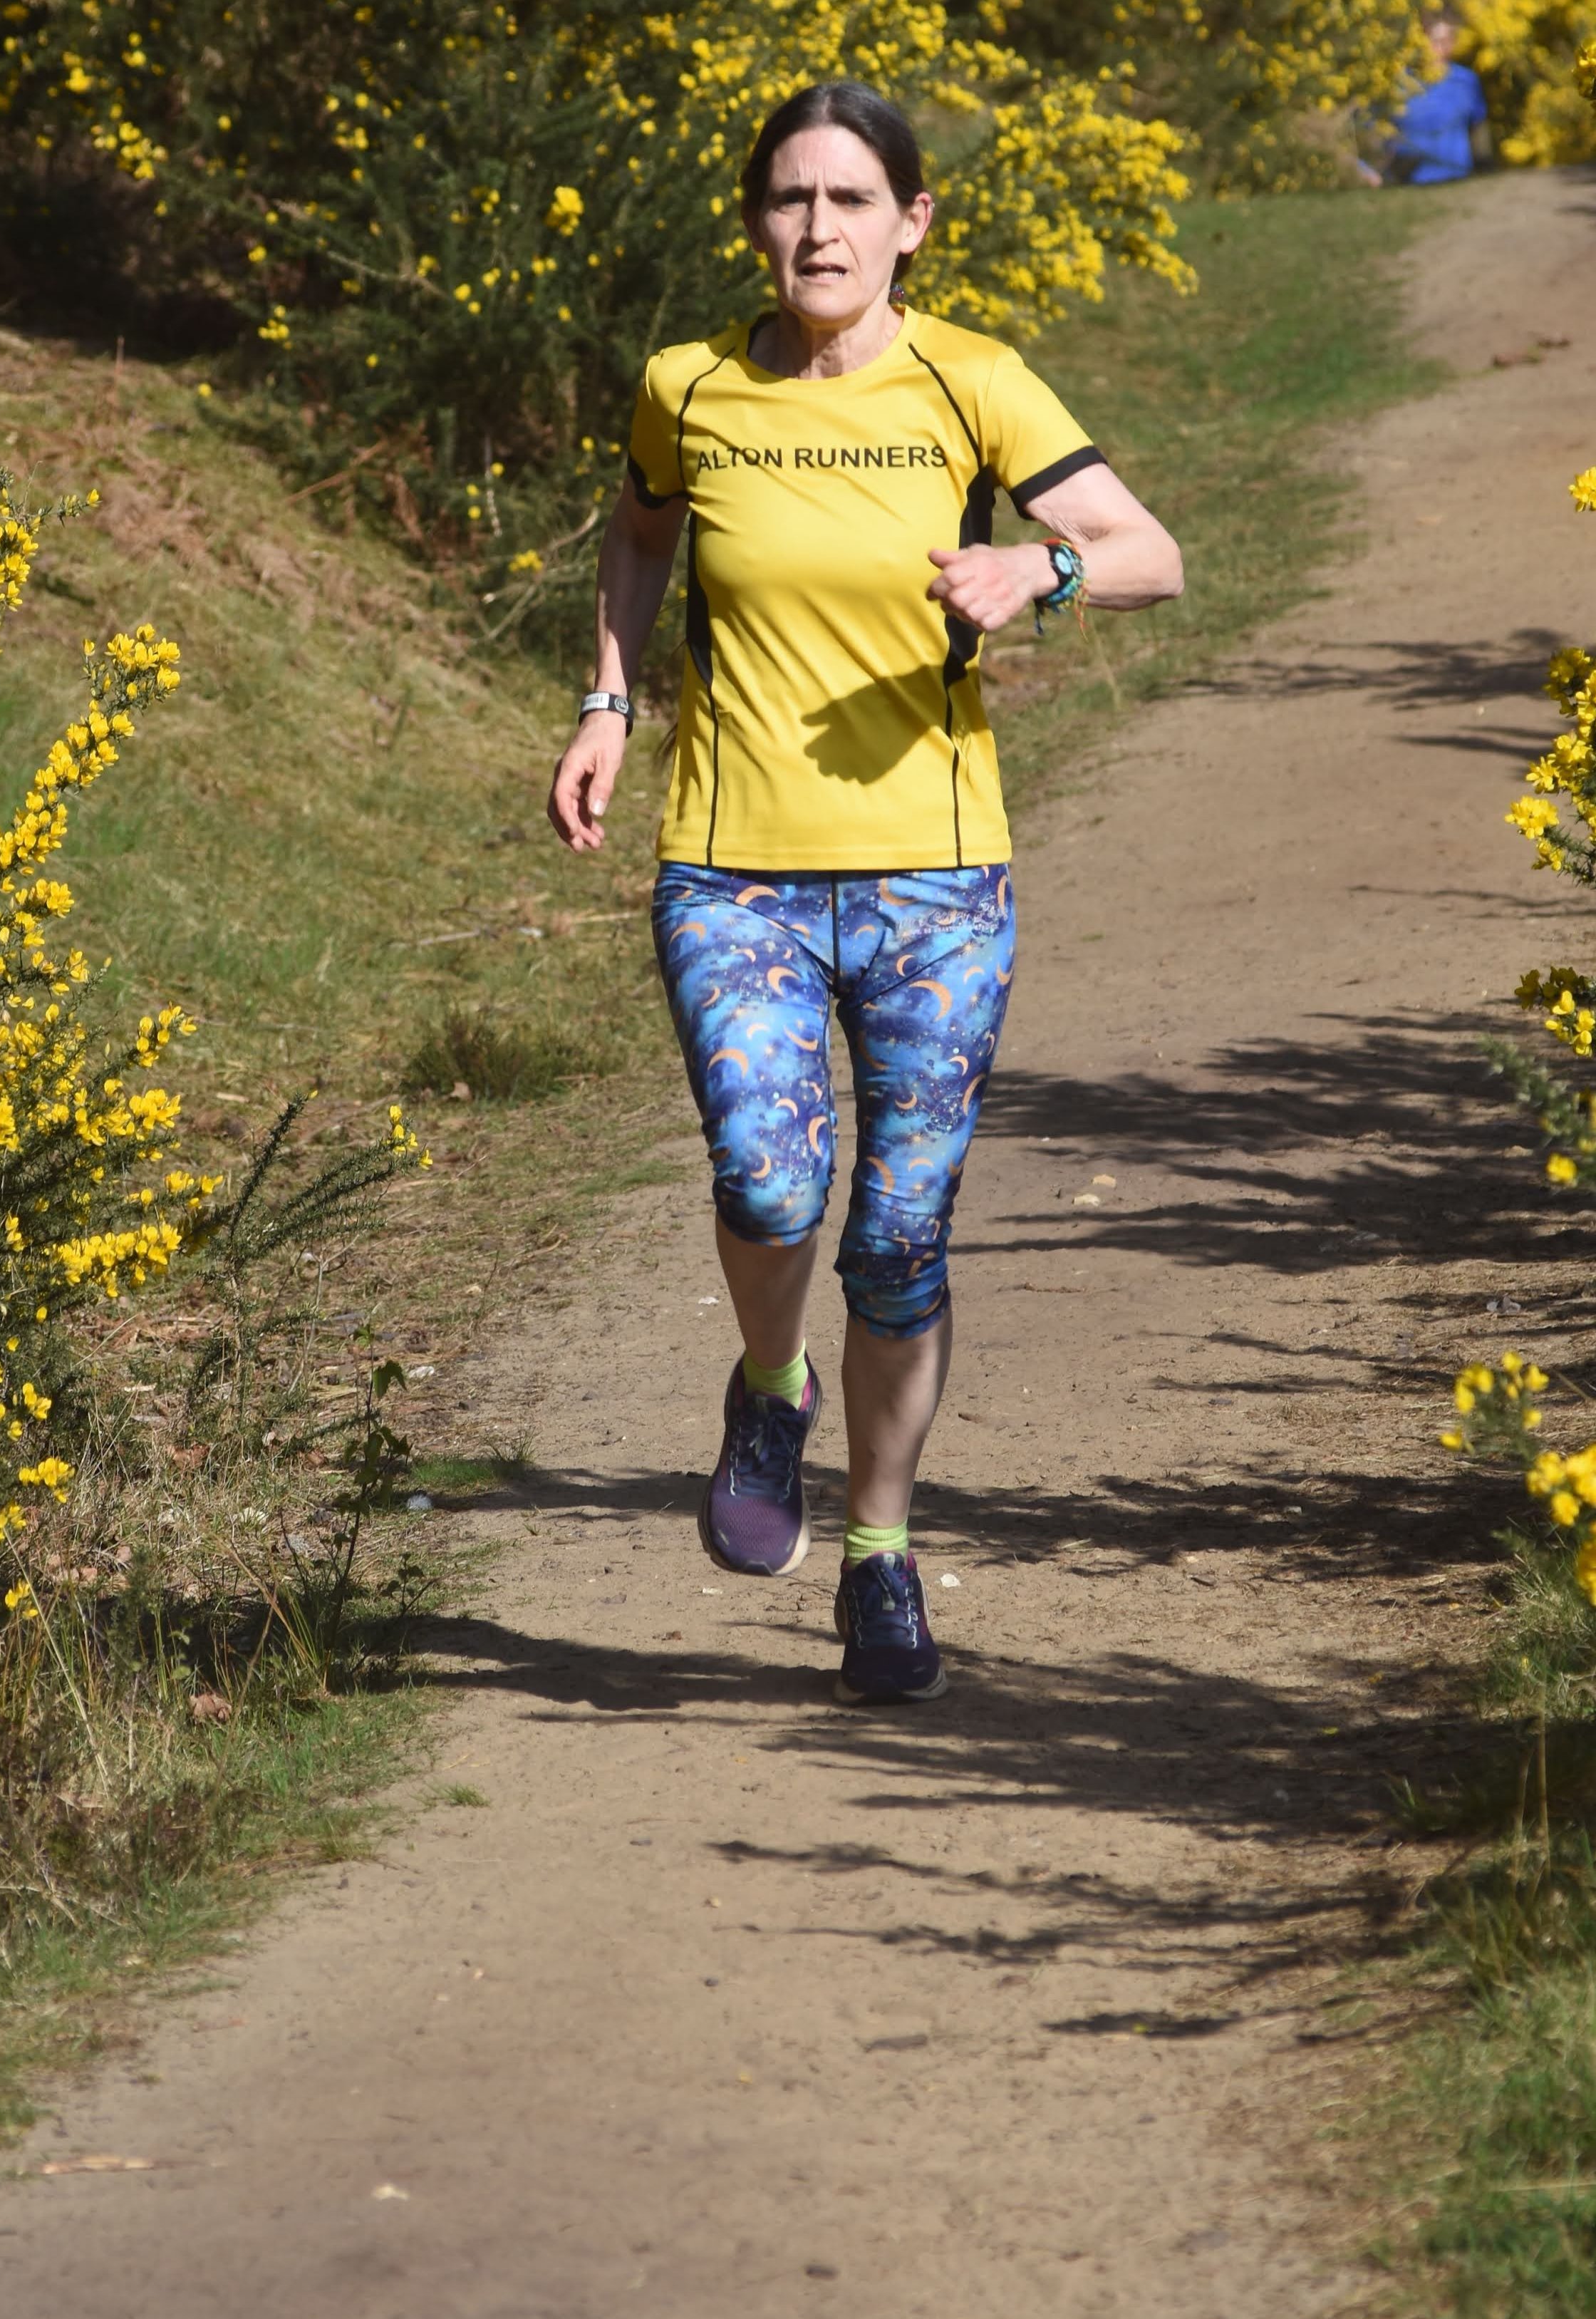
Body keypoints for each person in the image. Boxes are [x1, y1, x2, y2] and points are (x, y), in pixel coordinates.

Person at [547, 78, 1182, 1703]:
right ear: (755, 222)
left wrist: (1037, 566)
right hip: (734, 871)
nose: (818, 230)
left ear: (910, 223)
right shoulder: (688, 387)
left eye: (850, 201)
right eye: (790, 199)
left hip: (934, 882)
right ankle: (773, 1385)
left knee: (899, 1238)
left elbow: (1149, 551)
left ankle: (880, 1555)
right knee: (770, 1186)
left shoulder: (973, 380)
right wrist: (608, 704)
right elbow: (638, 540)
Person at [1365, 14, 1490, 185]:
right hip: (1406, 182)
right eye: (1436, 41)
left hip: (1458, 178)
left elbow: (1478, 128)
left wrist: (1485, 168)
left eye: (1449, 40)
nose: (1442, 48)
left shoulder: (1466, 81)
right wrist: (1369, 171)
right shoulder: (1398, 83)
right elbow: (1369, 128)